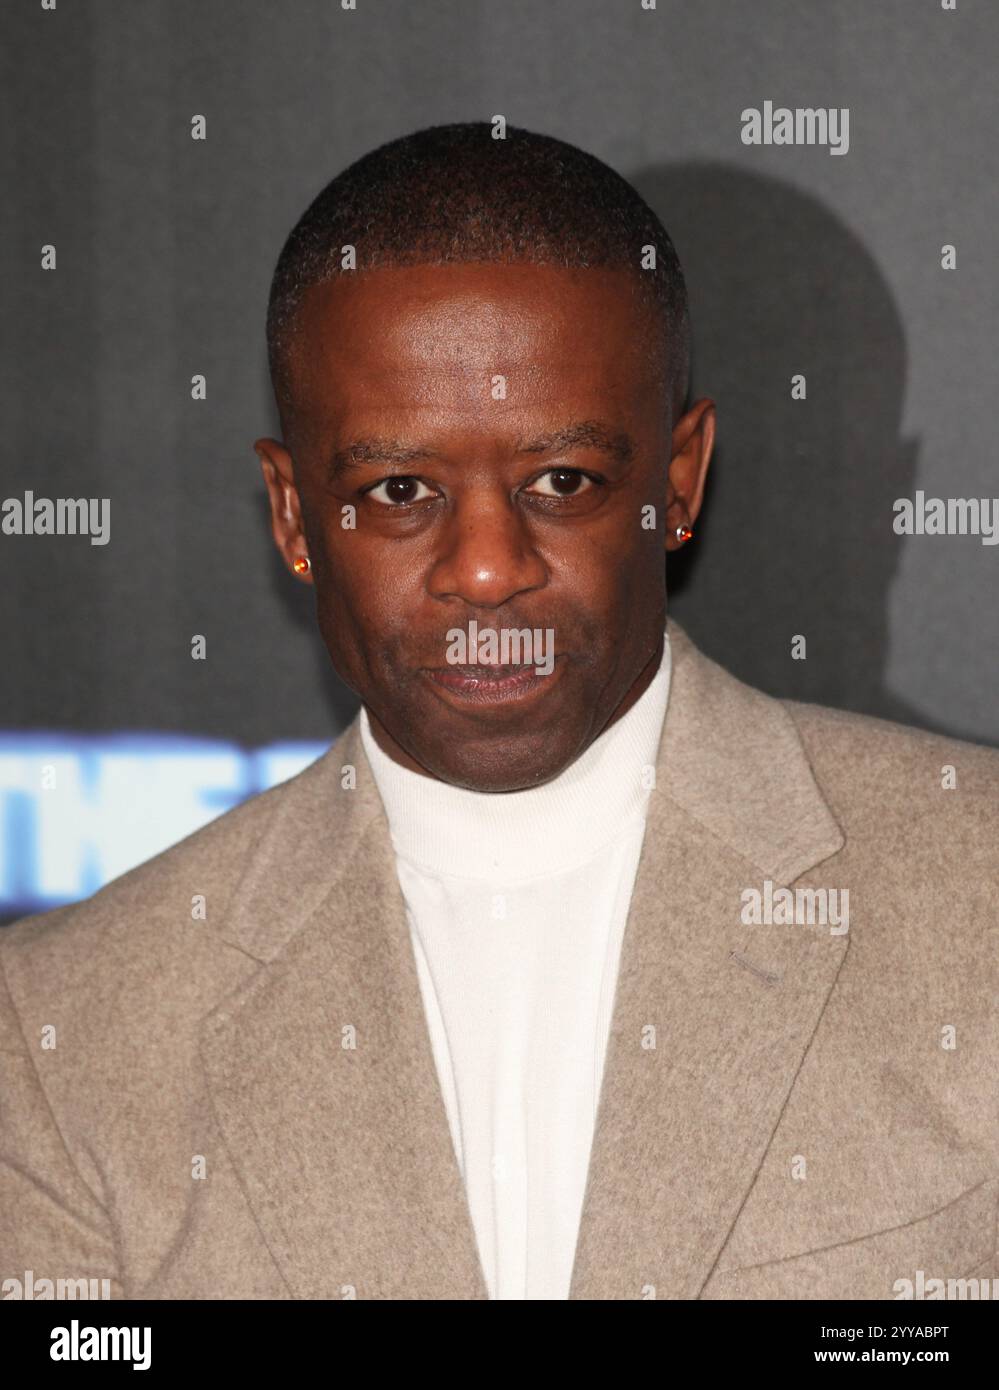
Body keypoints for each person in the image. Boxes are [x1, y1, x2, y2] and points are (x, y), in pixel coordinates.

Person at [2, 123, 996, 1302]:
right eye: (400, 489)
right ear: (290, 513)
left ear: (677, 483)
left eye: (561, 482)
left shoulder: (974, 899)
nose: (486, 569)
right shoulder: (65, 1026)